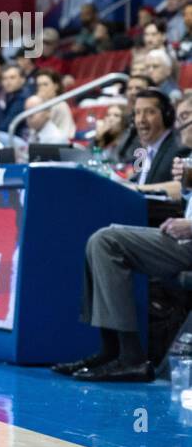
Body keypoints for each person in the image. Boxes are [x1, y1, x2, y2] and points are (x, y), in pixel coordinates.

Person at [56, 97, 192, 381]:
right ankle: (111, 350)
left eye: (187, 116)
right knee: (99, 239)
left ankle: (131, 357)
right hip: (181, 238)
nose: (184, 124)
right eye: (181, 116)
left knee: (107, 240)